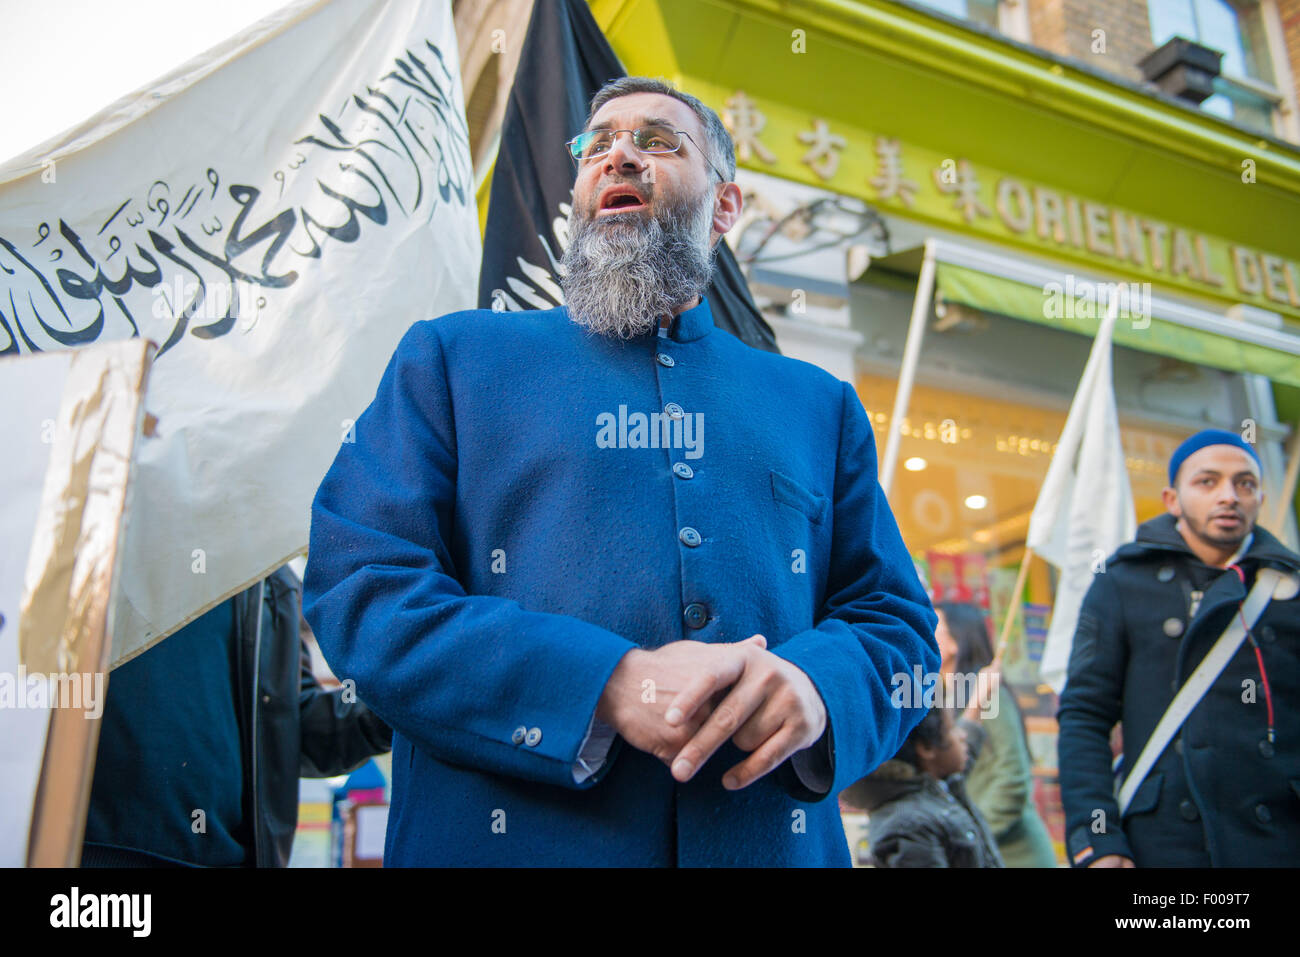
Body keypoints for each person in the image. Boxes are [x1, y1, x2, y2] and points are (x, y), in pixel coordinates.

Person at [302, 76, 939, 866]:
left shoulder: (817, 405)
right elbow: (361, 586)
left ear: (726, 209)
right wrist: (605, 684)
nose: (620, 156)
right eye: (596, 144)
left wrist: (816, 689)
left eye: (660, 141)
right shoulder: (455, 360)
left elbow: (898, 626)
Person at [1057, 428, 1300, 867]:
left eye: (1245, 483)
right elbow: (1084, 717)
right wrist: (1098, 842)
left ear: (1261, 499)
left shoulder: (1291, 587)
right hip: (1164, 840)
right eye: (1207, 482)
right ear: (1172, 499)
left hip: (1279, 837)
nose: (1229, 495)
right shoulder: (1121, 583)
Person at [82, 565, 392, 867]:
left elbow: (296, 730)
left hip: (221, 857)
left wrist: (400, 699)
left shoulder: (263, 570)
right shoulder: (67, 533)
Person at [935, 601, 1058, 867]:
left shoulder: (988, 693)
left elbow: (1013, 778)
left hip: (1014, 855)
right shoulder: (942, 696)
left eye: (936, 626)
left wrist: (970, 832)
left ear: (957, 640)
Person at [842, 706, 1003, 868]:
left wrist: (979, 702)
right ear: (926, 748)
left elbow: (966, 753)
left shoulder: (936, 788)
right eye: (952, 728)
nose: (963, 735)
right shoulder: (908, 827)